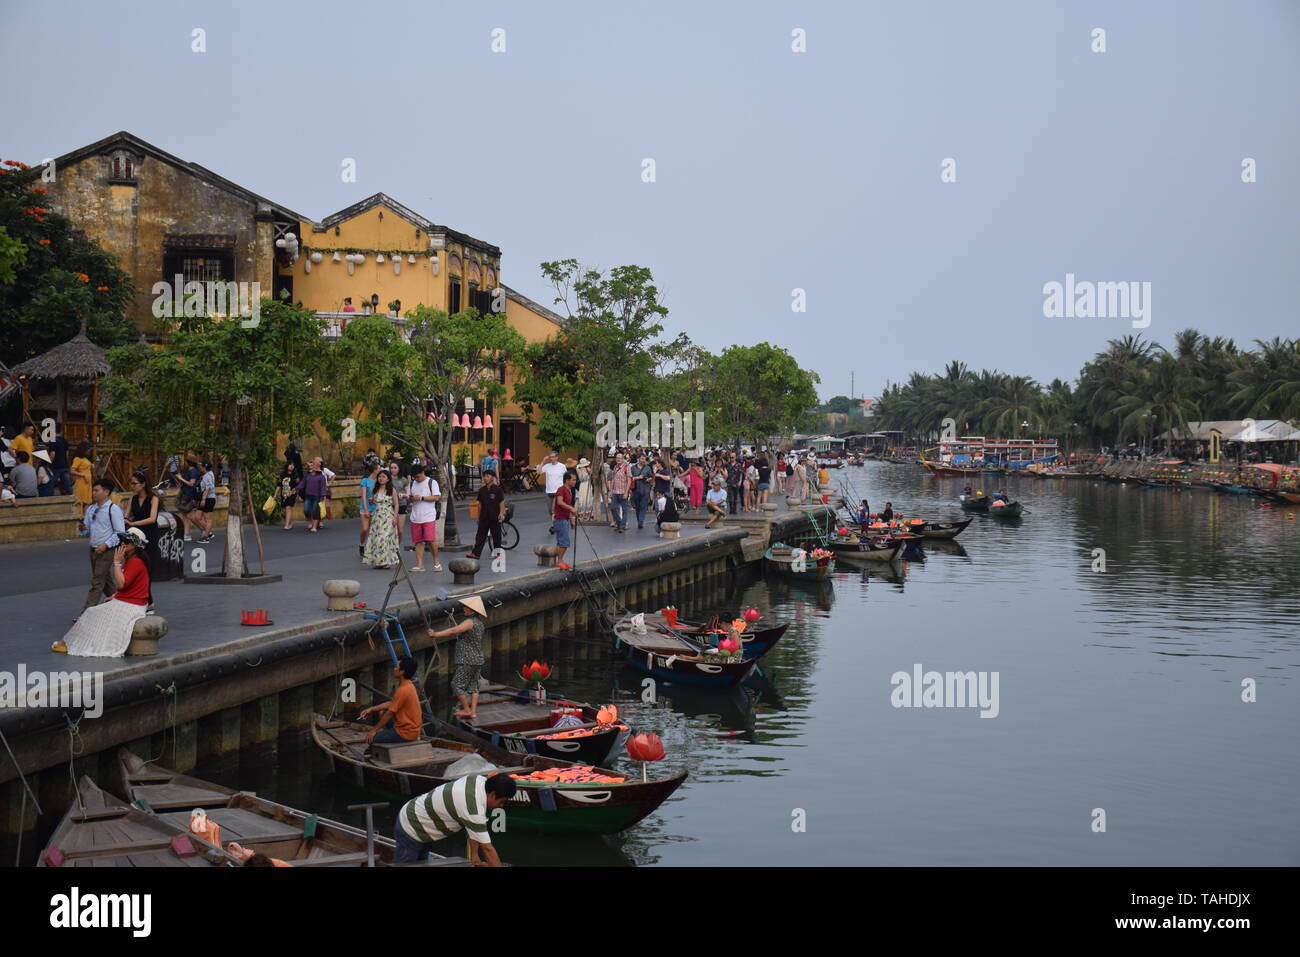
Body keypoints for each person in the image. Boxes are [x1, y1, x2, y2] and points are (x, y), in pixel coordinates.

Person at [54, 527, 151, 655]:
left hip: (132, 605)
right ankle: (71, 642)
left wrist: (116, 563)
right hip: (130, 601)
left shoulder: (136, 562)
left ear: (135, 545)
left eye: (126, 541)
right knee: (94, 613)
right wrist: (116, 595)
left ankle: (71, 643)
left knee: (91, 613)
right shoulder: (132, 560)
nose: (123, 543)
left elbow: (121, 584)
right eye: (122, 540)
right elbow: (130, 586)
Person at [393, 772, 516, 866]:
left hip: (423, 823)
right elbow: (488, 849)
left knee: (421, 863)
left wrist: (474, 855)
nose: (501, 806)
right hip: (411, 827)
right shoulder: (473, 809)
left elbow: (473, 828)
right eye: (501, 802)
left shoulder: (479, 781)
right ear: (493, 794)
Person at [428, 596, 489, 718]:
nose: (464, 609)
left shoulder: (469, 622)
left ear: (472, 610)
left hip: (468, 659)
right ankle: (473, 712)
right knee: (473, 686)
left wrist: (435, 634)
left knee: (456, 684)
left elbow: (453, 630)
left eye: (466, 607)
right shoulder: (480, 623)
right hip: (477, 659)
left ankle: (467, 710)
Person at [361, 656, 423, 744]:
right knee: (381, 712)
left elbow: (390, 713)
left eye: (396, 667)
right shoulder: (409, 685)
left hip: (406, 733)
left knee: (371, 739)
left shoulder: (403, 690)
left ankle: (395, 739)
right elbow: (392, 703)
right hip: (411, 729)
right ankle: (391, 736)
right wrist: (371, 709)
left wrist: (373, 731)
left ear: (402, 671)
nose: (394, 669)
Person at [124, 472, 163, 606]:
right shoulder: (132, 499)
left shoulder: (153, 498)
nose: (132, 486)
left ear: (143, 484)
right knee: (134, 566)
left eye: (134, 483)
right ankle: (143, 599)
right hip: (135, 537)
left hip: (150, 536)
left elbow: (152, 519)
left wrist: (134, 523)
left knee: (147, 569)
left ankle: (148, 600)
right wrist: (126, 521)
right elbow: (126, 516)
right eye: (131, 483)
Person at [407, 463, 442, 572]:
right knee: (418, 541)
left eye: (418, 476)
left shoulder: (432, 482)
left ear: (422, 473)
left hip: (428, 516)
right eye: (415, 477)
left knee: (430, 539)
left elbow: (436, 497)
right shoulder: (412, 483)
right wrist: (411, 499)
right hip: (415, 516)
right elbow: (409, 498)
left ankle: (437, 562)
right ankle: (420, 564)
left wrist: (421, 498)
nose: (417, 479)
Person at [362, 470, 400, 569]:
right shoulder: (376, 489)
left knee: (384, 538)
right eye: (379, 477)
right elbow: (373, 503)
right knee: (376, 538)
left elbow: (396, 504)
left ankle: (386, 561)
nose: (381, 478)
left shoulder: (392, 490)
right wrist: (371, 501)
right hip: (377, 517)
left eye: (383, 477)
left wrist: (395, 517)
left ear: (388, 479)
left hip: (388, 516)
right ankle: (378, 561)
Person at [467, 469, 506, 562]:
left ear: (492, 478)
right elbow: (480, 504)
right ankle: (476, 553)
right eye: (484, 476)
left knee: (496, 536)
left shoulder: (498, 490)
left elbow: (502, 502)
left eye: (487, 476)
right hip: (484, 516)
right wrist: (478, 517)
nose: (485, 478)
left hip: (495, 516)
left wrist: (501, 513)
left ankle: (498, 554)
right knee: (480, 536)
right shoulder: (481, 490)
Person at [552, 469, 577, 568]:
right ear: (567, 480)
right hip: (560, 519)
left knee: (561, 541)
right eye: (573, 480)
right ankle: (560, 561)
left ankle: (560, 560)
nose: (575, 482)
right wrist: (571, 508)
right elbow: (560, 502)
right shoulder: (561, 489)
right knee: (564, 542)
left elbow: (568, 505)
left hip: (565, 519)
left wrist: (571, 520)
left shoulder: (569, 491)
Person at [538, 451, 568, 527]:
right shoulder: (547, 466)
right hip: (549, 491)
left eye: (553, 457)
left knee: (553, 510)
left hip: (558, 491)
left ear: (557, 457)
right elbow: (538, 472)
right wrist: (543, 461)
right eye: (550, 457)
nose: (551, 458)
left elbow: (566, 478)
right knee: (550, 510)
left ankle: (554, 526)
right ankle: (557, 522)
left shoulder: (562, 466)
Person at [296, 462, 327, 533]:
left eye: (314, 466)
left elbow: (323, 487)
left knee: (315, 511)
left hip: (317, 496)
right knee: (306, 510)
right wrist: (296, 489)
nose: (312, 467)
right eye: (312, 465)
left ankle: (314, 526)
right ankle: (311, 522)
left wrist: (323, 496)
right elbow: (302, 483)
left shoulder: (321, 477)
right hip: (308, 496)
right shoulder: (307, 475)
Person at [358, 460, 380, 559]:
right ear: (375, 470)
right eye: (379, 468)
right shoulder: (365, 481)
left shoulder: (379, 482)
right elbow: (363, 496)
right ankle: (361, 544)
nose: (380, 470)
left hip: (375, 508)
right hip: (365, 507)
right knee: (365, 528)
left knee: (373, 530)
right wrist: (366, 509)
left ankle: (370, 548)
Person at [609, 453, 631, 532]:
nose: (618, 459)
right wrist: (611, 491)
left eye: (620, 458)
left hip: (623, 491)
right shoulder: (615, 467)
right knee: (613, 508)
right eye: (617, 458)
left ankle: (621, 526)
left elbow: (629, 480)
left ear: (622, 459)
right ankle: (619, 523)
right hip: (615, 491)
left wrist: (626, 492)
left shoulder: (626, 467)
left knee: (625, 510)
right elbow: (613, 480)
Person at [388, 460, 409, 542]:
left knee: (400, 530)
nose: (393, 470)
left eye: (395, 468)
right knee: (391, 529)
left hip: (401, 505)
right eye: (391, 468)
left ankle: (397, 547)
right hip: (390, 505)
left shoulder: (404, 480)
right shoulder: (387, 479)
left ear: (399, 469)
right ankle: (391, 548)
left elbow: (408, 494)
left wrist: (403, 495)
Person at [630, 454, 653, 529]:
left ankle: (640, 521)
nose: (643, 460)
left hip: (645, 489)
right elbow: (630, 478)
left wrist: (648, 479)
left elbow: (651, 477)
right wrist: (638, 477)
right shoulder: (633, 468)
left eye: (644, 459)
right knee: (637, 506)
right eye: (642, 459)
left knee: (643, 506)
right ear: (638, 459)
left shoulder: (648, 468)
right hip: (636, 489)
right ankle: (639, 520)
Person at [197, 461, 217, 543]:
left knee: (208, 518)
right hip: (205, 498)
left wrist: (203, 499)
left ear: (204, 468)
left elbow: (207, 488)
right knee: (197, 516)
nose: (200, 467)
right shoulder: (210, 474)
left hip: (208, 499)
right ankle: (208, 532)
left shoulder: (206, 476)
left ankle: (206, 537)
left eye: (201, 466)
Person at [49, 427, 72, 495]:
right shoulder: (64, 440)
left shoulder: (53, 440)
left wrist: (49, 463)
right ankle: (71, 498)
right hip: (64, 465)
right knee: (67, 485)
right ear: (61, 432)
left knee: (51, 482)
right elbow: (67, 453)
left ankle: (48, 497)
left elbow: (52, 454)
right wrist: (66, 462)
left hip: (56, 466)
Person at [278, 462, 299, 530]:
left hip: (292, 493)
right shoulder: (282, 474)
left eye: (293, 465)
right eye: (290, 464)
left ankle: (286, 525)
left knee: (288, 507)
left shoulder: (295, 475)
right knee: (284, 509)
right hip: (283, 494)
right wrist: (275, 495)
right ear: (287, 465)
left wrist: (297, 494)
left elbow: (298, 485)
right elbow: (279, 485)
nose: (291, 466)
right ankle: (290, 523)